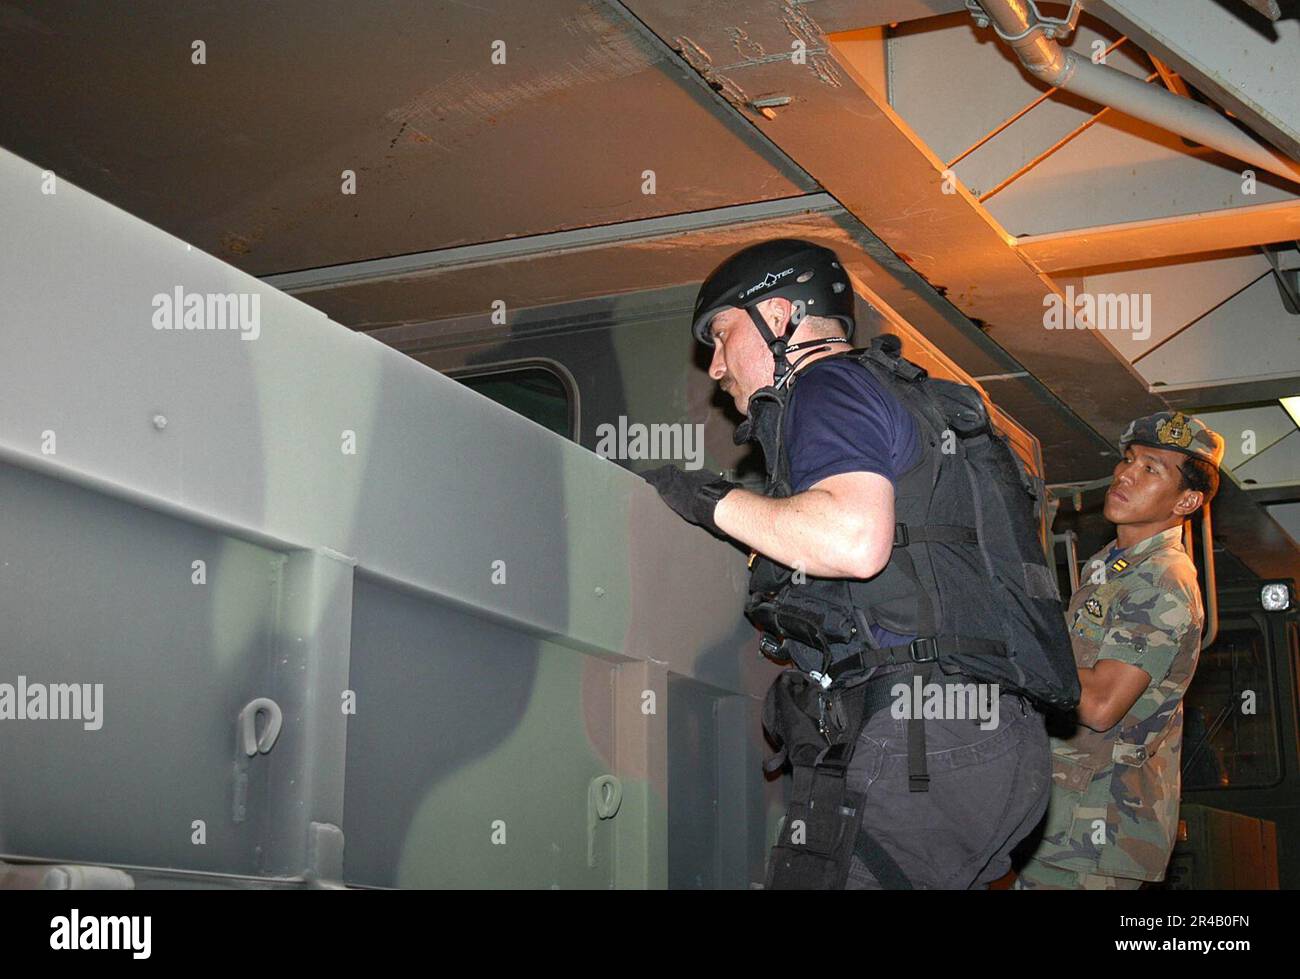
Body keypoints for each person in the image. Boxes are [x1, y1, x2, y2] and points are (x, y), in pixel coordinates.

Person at [642, 238, 1053, 889]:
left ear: (777, 316)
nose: (715, 366)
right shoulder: (898, 396)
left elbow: (852, 541)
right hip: (991, 741)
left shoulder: (826, 385)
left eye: (721, 336)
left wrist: (707, 499)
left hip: (922, 740)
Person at [1015, 411, 1223, 889]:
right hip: (1066, 817)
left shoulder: (1162, 581)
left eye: (1151, 469)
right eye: (1128, 460)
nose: (1126, 474)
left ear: (1187, 500)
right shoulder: (1112, 567)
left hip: (1095, 830)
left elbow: (1101, 705)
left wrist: (1020, 652)